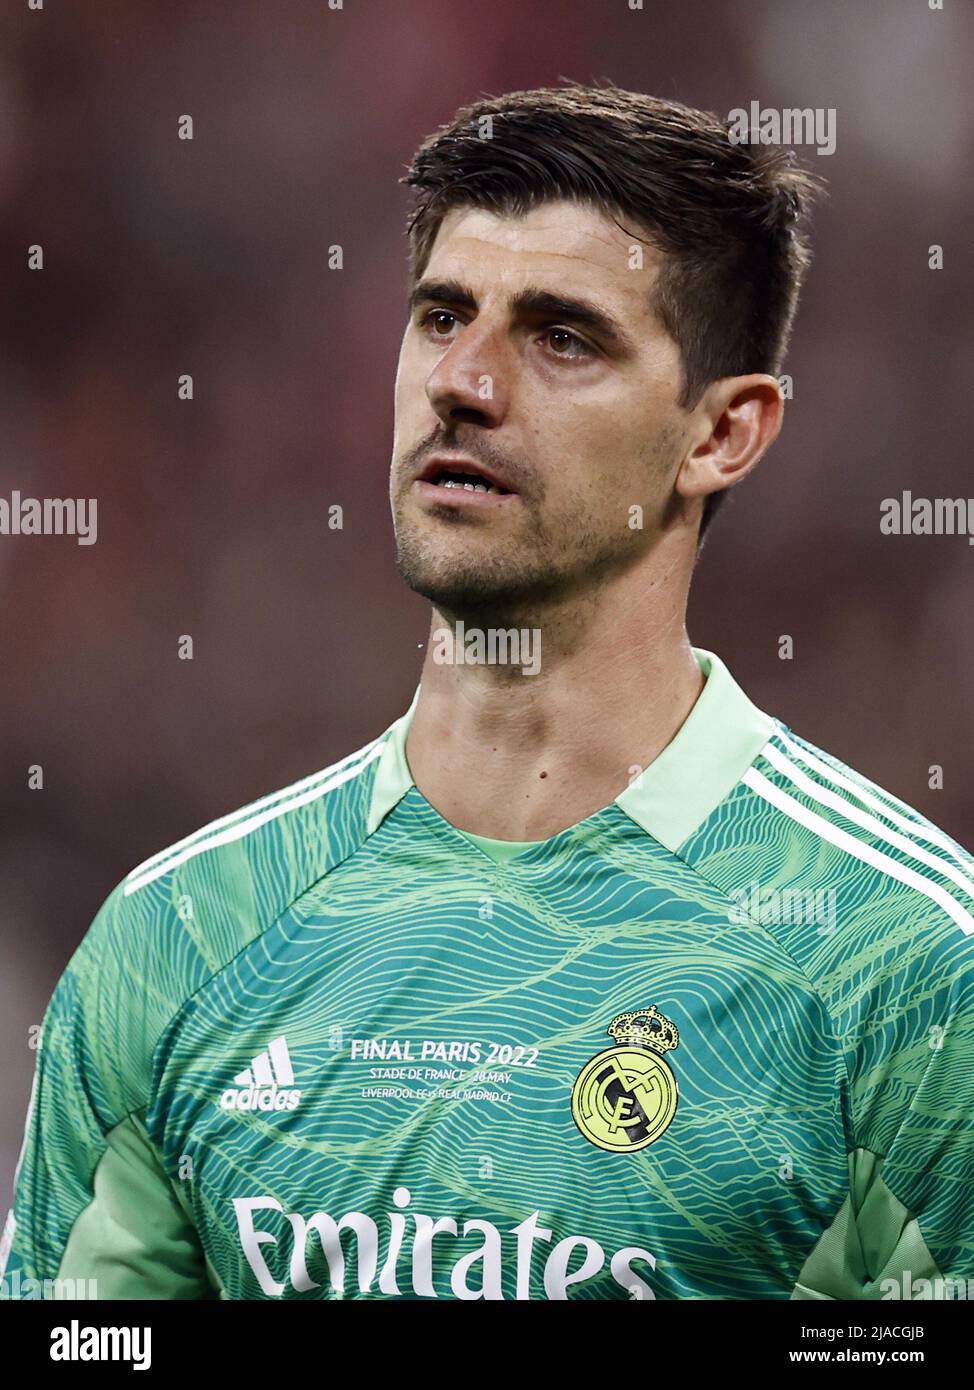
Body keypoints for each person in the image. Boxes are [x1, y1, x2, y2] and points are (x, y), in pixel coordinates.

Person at [4, 82, 973, 1301]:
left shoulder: (905, 966)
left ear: (721, 435)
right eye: (440, 314)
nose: (463, 381)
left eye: (561, 336)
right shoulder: (180, 941)